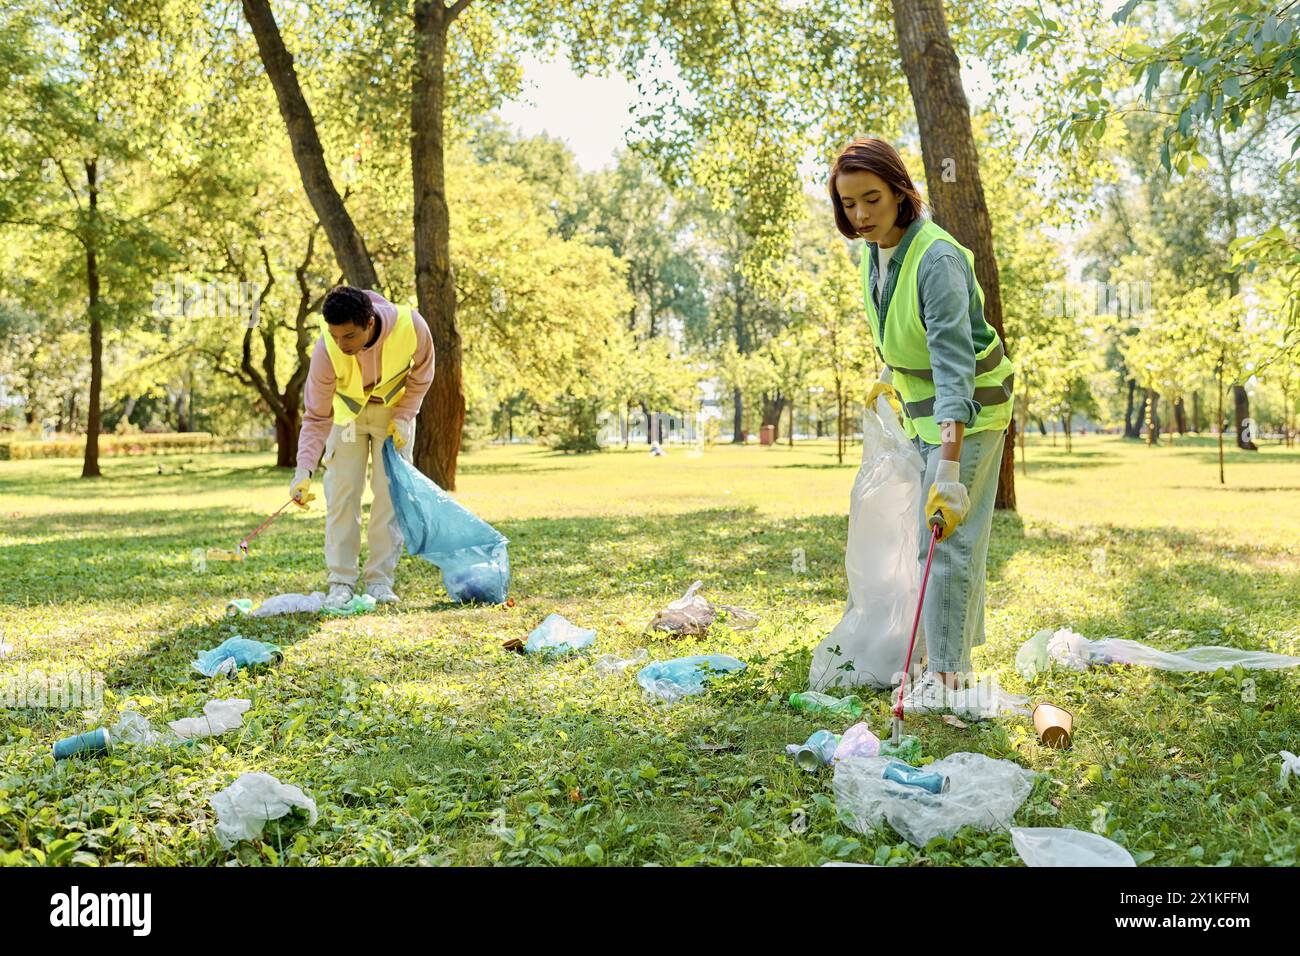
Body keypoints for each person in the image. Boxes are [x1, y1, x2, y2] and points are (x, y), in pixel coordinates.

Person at [827, 136, 1015, 707]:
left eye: (872, 200)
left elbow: (954, 370)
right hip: (919, 415)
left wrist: (951, 471)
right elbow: (900, 335)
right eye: (848, 204)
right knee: (921, 540)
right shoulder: (875, 251)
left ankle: (951, 682)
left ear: (901, 193)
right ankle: (940, 658)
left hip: (969, 414)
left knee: (947, 539)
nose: (860, 216)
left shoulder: (936, 259)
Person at [289, 286, 435, 608]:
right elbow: (316, 416)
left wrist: (404, 415)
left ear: (369, 322)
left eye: (349, 337)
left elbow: (422, 375)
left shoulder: (412, 326)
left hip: (392, 414)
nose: (341, 344)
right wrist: (304, 470)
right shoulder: (327, 350)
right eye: (335, 335)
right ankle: (341, 582)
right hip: (347, 419)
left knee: (389, 496)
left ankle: (380, 582)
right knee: (342, 495)